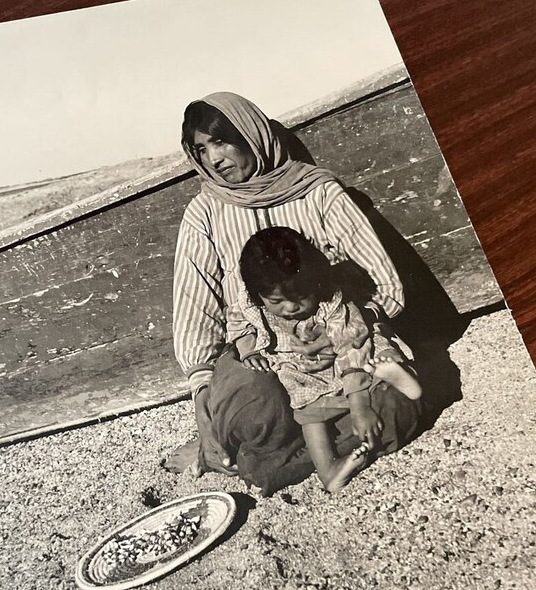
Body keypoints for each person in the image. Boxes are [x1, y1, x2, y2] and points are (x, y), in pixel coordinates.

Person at [169, 91, 424, 495]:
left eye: (221, 141)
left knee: (398, 409)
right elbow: (194, 305)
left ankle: (262, 459)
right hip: (264, 353)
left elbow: (386, 284)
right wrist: (203, 387)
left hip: (344, 340)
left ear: (252, 134)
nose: (213, 158)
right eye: (201, 149)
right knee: (251, 410)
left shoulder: (319, 193)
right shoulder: (205, 213)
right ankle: (291, 443)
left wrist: (346, 329)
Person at [231, 227, 422, 492]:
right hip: (299, 368)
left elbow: (350, 343)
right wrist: (248, 350)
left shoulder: (330, 299)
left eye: (300, 297)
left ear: (315, 281)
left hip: (347, 354)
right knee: (309, 412)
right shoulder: (249, 303)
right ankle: (329, 470)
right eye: (277, 301)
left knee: (373, 344)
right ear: (258, 294)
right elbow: (239, 324)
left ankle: (400, 377)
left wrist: (359, 407)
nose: (290, 307)